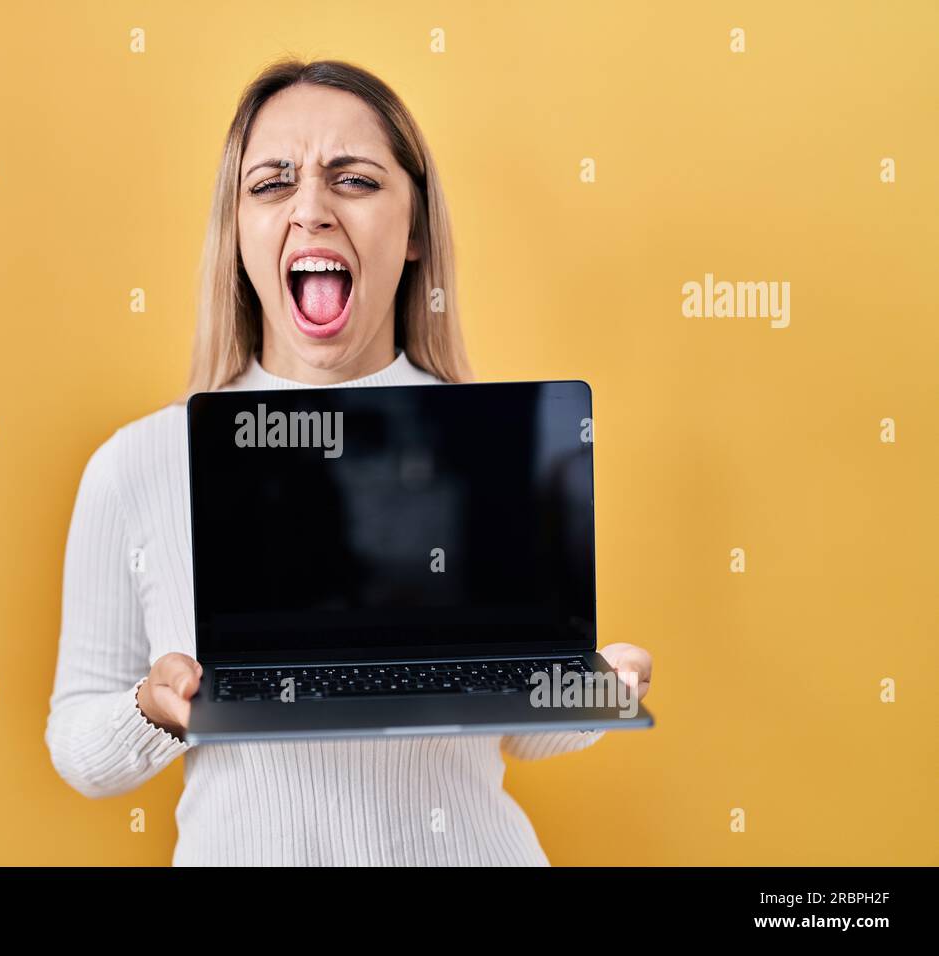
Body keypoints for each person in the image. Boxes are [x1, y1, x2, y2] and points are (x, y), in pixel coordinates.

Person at [45, 58, 652, 866]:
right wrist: (153, 711)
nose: (311, 211)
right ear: (236, 231)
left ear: (415, 231)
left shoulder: (490, 451)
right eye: (271, 184)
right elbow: (79, 749)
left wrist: (586, 690)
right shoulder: (139, 465)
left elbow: (521, 733)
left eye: (354, 180)